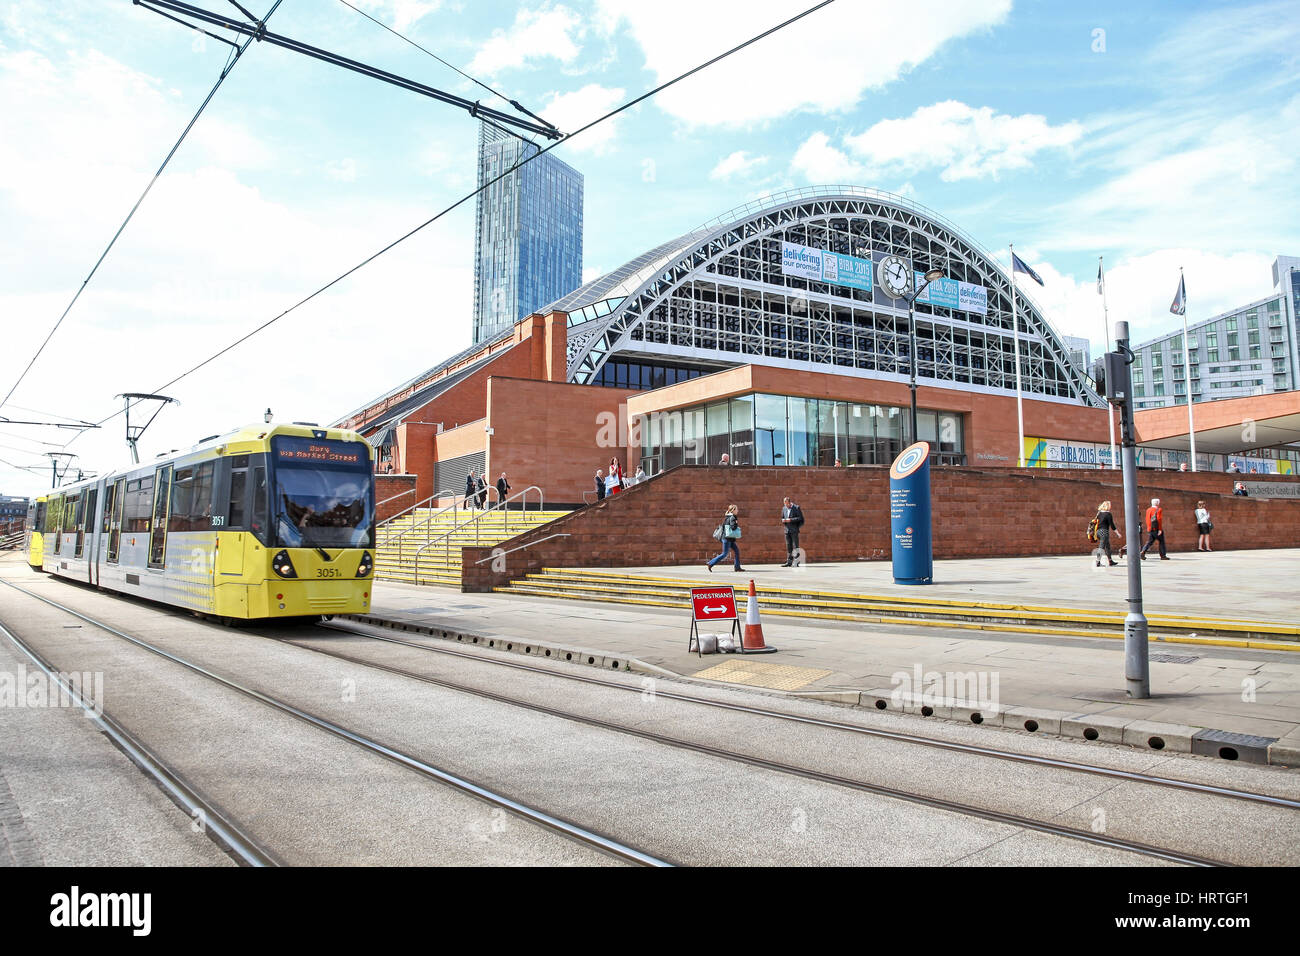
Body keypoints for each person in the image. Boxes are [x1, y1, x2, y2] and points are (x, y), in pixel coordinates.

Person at [707, 504, 744, 572]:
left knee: (737, 551)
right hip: (727, 539)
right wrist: (736, 524)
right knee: (724, 554)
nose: (738, 510)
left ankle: (737, 567)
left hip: (730, 538)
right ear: (733, 510)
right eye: (737, 509)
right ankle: (710, 563)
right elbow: (733, 527)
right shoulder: (733, 517)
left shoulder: (727, 517)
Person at [1093, 500, 1120, 568]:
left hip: (1098, 532)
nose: (1111, 506)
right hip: (1104, 532)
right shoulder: (1108, 514)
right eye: (1110, 505)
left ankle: (1110, 561)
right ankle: (1097, 561)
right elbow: (1112, 525)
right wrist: (1118, 533)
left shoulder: (1099, 513)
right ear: (1107, 506)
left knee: (1107, 546)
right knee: (1101, 547)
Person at [780, 496, 805, 567]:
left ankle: (797, 561)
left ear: (789, 502)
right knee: (789, 546)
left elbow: (800, 518)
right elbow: (782, 517)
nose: (786, 505)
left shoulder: (796, 508)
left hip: (794, 530)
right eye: (785, 504)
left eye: (787, 504)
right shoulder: (784, 508)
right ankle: (789, 562)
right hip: (787, 530)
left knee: (795, 546)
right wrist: (783, 520)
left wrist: (791, 520)